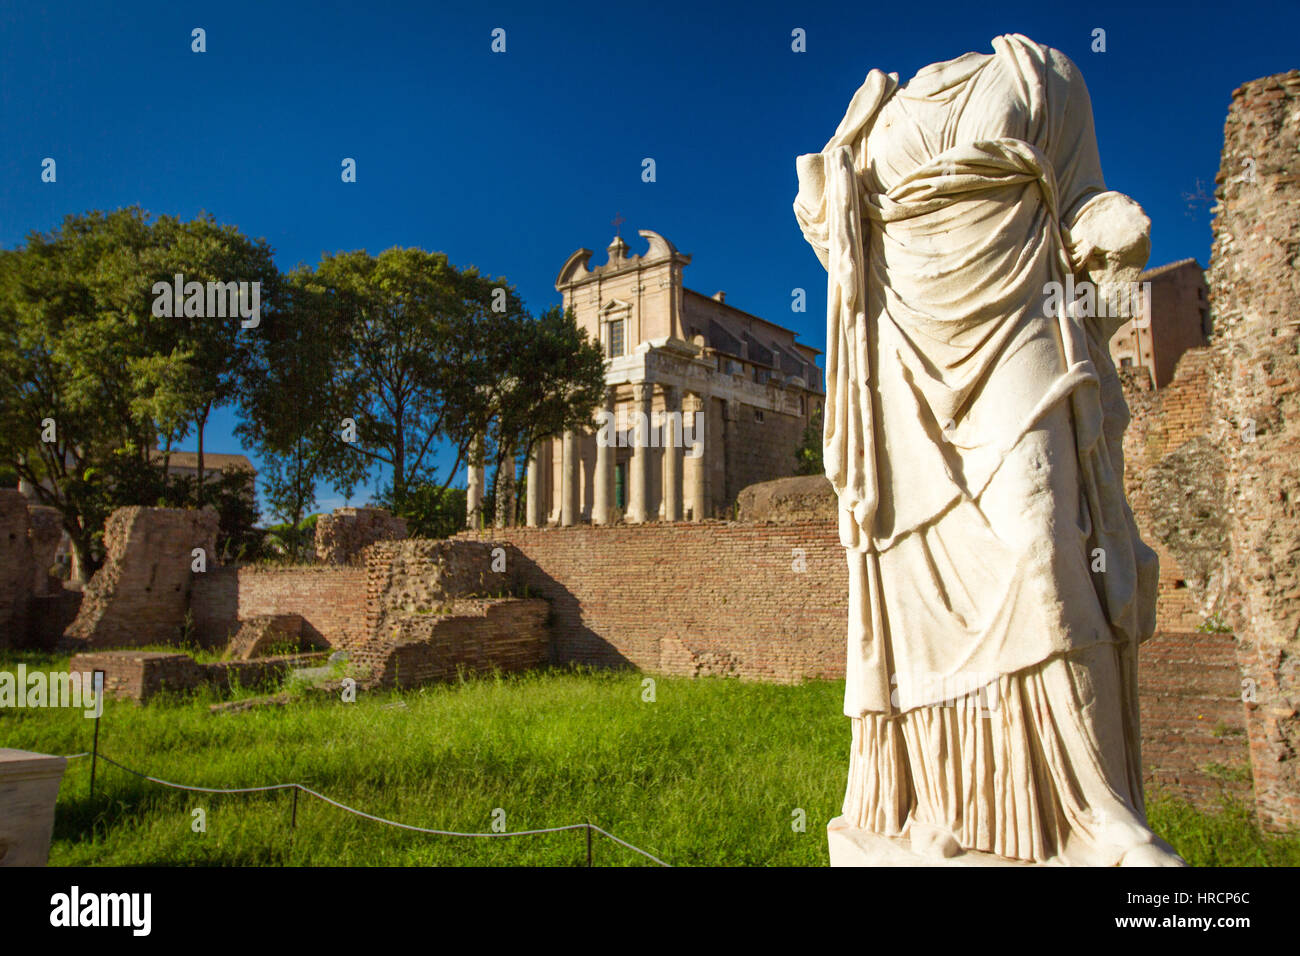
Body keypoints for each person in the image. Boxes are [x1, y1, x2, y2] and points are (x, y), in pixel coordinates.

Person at [794, 33, 1182, 865]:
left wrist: (1110, 227)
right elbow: (838, 240)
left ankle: (1090, 808)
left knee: (1042, 531)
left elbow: (1081, 204)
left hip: (1019, 313)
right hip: (899, 345)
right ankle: (945, 804)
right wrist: (825, 186)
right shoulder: (871, 109)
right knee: (917, 592)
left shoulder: (1041, 74)